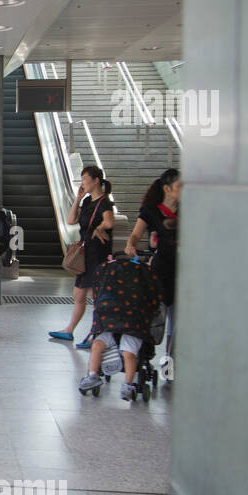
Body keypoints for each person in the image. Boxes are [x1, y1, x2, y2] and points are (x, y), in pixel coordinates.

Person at [78, 255, 161, 401]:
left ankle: (128, 384)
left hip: (133, 326)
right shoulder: (112, 293)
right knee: (97, 345)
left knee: (128, 353)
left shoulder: (139, 293)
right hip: (112, 325)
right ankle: (92, 375)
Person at [49, 166, 115, 348]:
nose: (82, 181)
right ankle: (70, 330)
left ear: (96, 181)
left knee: (95, 296)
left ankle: (96, 335)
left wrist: (98, 229)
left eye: (85, 178)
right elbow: (71, 220)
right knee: (79, 294)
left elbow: (109, 221)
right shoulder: (87, 202)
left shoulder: (104, 203)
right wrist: (77, 198)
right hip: (87, 255)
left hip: (98, 255)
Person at [125, 168, 181, 358]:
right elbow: (136, 234)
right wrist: (131, 245)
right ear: (167, 188)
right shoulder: (150, 211)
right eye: (180, 186)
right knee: (155, 318)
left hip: (184, 272)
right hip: (160, 271)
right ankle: (145, 356)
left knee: (179, 323)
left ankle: (171, 364)